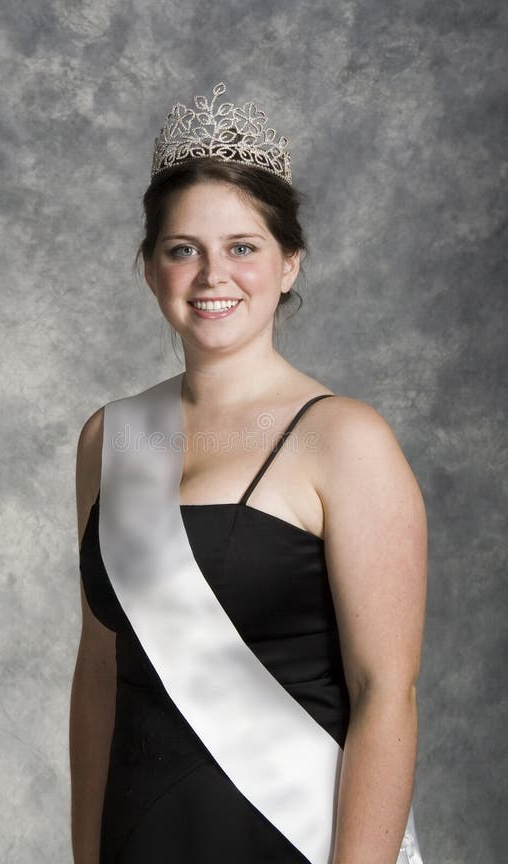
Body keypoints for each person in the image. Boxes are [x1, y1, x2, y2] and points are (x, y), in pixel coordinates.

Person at [70, 82, 428, 864]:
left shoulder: (345, 440)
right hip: (141, 837)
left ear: (289, 262)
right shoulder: (111, 437)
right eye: (182, 249)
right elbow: (99, 670)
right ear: (149, 267)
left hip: (291, 839)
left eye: (242, 247)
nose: (211, 276)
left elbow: (384, 697)